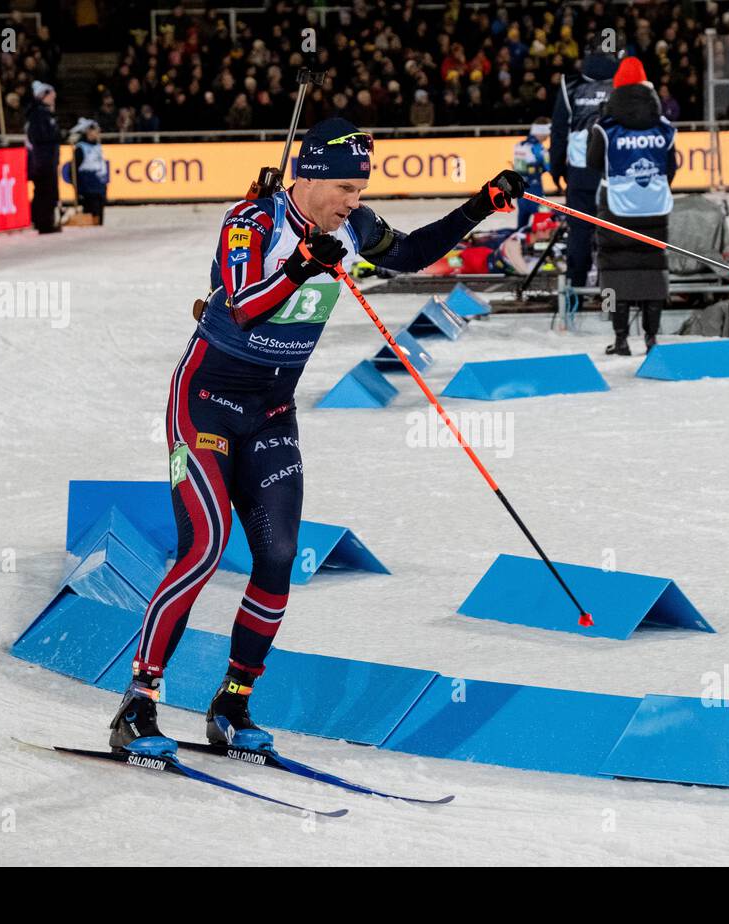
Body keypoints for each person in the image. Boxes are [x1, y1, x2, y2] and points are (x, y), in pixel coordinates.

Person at [108, 117, 526, 756]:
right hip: (206, 404)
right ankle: (138, 703)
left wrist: (480, 205)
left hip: (272, 412)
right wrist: (302, 266)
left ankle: (232, 704)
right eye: (346, 189)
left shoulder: (352, 229)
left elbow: (410, 254)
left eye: (361, 191)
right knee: (205, 548)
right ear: (309, 177)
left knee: (279, 557)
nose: (354, 203)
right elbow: (244, 305)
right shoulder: (251, 222)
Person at [586, 57, 676, 355]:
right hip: (654, 207)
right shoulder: (663, 127)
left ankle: (621, 339)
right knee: (652, 267)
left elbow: (593, 162)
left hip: (615, 207)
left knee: (616, 270)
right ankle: (651, 338)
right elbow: (671, 168)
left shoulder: (606, 126)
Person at [550, 43, 617, 287]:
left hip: (581, 171)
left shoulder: (570, 85)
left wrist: (556, 169)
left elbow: (559, 131)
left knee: (579, 230)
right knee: (614, 230)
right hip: (614, 172)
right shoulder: (621, 83)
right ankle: (612, 287)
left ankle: (576, 288)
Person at [25, 81, 62, 233]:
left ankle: (45, 220)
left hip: (47, 158)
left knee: (46, 190)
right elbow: (41, 136)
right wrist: (56, 136)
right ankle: (44, 222)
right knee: (45, 190)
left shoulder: (44, 113)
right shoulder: (39, 114)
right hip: (42, 159)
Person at [513, 117, 550, 230]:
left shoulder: (519, 145)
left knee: (521, 227)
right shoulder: (538, 148)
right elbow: (549, 167)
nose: (548, 136)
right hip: (535, 191)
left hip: (521, 192)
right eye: (547, 133)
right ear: (542, 131)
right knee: (545, 224)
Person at [69, 118, 109, 225]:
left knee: (99, 219)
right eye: (94, 130)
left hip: (99, 187)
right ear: (88, 132)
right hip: (88, 189)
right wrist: (78, 189)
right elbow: (72, 171)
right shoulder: (81, 148)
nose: (97, 133)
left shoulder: (98, 146)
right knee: (91, 219)